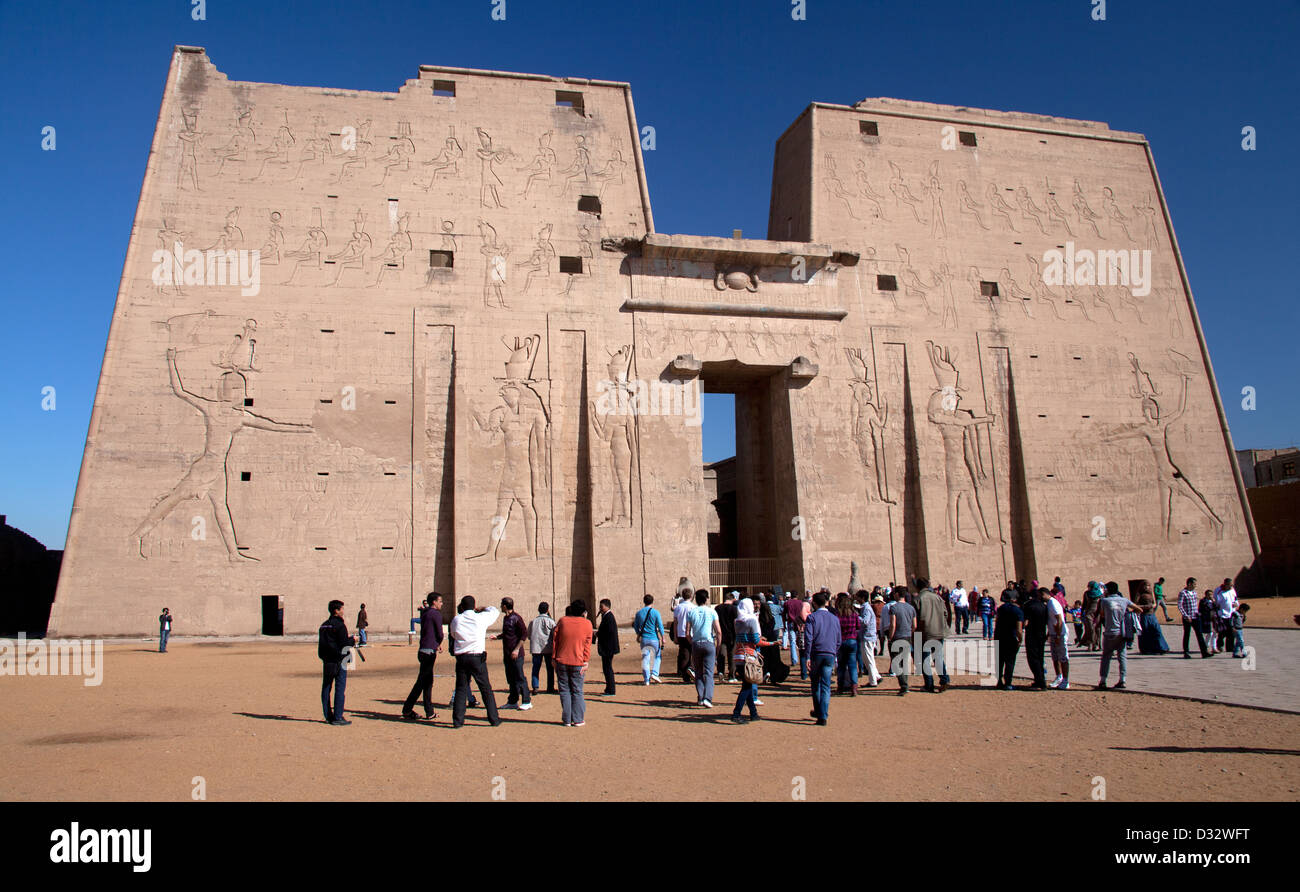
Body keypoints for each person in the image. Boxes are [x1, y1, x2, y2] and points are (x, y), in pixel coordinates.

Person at [449, 596, 502, 728]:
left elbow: (453, 634)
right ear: (474, 606)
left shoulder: (457, 619)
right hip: (477, 657)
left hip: (462, 657)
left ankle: (458, 721)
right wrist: (482, 609)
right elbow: (494, 611)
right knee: (485, 688)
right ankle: (494, 719)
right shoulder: (481, 618)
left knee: (461, 688)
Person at [402, 592, 444, 720]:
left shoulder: (425, 613)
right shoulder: (436, 614)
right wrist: (438, 643)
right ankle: (407, 709)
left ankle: (428, 711)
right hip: (429, 652)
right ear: (434, 602)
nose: (442, 603)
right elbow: (440, 633)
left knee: (427, 682)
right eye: (440, 601)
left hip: (423, 649)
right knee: (422, 683)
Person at [731, 598, 773, 722]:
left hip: (738, 655)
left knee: (747, 685)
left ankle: (753, 713)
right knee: (747, 687)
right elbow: (756, 641)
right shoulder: (752, 620)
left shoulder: (737, 621)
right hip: (748, 656)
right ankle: (736, 714)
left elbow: (745, 637)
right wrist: (772, 643)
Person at [553, 600, 592, 726]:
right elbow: (587, 645)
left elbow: (555, 640)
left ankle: (567, 719)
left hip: (561, 660)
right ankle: (578, 719)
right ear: (583, 612)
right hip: (578, 661)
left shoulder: (563, 621)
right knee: (577, 690)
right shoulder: (587, 624)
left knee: (564, 690)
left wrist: (553, 657)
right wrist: (586, 660)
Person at [804, 591, 841, 724]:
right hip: (830, 653)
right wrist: (834, 652)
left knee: (815, 684)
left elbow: (809, 638)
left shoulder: (812, 618)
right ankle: (823, 715)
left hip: (816, 653)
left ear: (814, 603)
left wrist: (807, 655)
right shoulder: (835, 618)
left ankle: (819, 711)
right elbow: (838, 639)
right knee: (826, 685)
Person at [318, 600, 356, 725]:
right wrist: (353, 640)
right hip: (340, 660)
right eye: (341, 609)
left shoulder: (323, 625)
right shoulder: (340, 625)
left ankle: (328, 715)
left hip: (327, 660)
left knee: (326, 687)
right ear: (336, 610)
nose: (343, 611)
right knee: (340, 688)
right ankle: (338, 716)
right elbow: (344, 644)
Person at [1097, 582, 1140, 690]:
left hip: (1109, 632)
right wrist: (1128, 615)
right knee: (1122, 656)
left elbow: (1102, 614)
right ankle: (1122, 679)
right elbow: (1139, 609)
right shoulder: (1124, 600)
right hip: (1122, 632)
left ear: (1108, 590)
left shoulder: (1104, 601)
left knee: (1106, 657)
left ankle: (1103, 680)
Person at [493, 597, 532, 710]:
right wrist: (497, 637)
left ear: (505, 606)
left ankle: (526, 701)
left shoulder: (516, 618)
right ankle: (512, 701)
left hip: (516, 654)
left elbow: (524, 635)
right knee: (511, 678)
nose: (500, 606)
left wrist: (516, 649)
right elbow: (507, 634)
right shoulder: (506, 618)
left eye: (501, 604)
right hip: (507, 653)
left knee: (520, 677)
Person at [916, 577, 951, 693]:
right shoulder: (937, 597)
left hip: (925, 633)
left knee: (925, 658)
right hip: (939, 631)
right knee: (938, 656)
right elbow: (946, 613)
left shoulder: (918, 599)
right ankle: (944, 679)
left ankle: (929, 684)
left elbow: (916, 618)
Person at [687, 590, 721, 707]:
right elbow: (719, 631)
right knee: (709, 673)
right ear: (706, 599)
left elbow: (687, 633)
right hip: (709, 643)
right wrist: (718, 646)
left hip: (696, 643)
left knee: (698, 672)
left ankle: (701, 697)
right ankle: (708, 698)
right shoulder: (712, 612)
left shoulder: (691, 612)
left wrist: (692, 642)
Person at [887, 588, 917, 696]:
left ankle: (903, 685)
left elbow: (893, 624)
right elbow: (914, 625)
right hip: (907, 637)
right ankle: (905, 684)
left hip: (897, 637)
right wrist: (909, 632)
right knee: (904, 661)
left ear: (897, 594)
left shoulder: (894, 608)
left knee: (896, 663)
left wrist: (890, 637)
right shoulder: (911, 608)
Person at [993, 592, 1024, 690]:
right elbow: (1019, 629)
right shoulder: (1018, 611)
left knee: (1000, 661)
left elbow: (997, 622)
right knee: (1010, 661)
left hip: (999, 636)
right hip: (1011, 638)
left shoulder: (1001, 608)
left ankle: (999, 681)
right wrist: (1020, 639)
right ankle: (1008, 683)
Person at [834, 593, 863, 695]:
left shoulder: (837, 616)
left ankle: (840, 687)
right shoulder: (854, 615)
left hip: (841, 641)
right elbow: (858, 627)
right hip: (852, 640)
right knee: (852, 666)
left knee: (841, 666)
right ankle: (854, 688)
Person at [634, 595, 665, 684]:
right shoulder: (656, 612)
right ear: (652, 601)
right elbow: (660, 626)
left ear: (644, 601)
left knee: (645, 658)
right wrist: (663, 638)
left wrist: (638, 634)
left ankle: (646, 679)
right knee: (657, 656)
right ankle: (655, 673)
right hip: (654, 638)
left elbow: (636, 626)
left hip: (644, 638)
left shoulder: (639, 613)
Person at [528, 602, 557, 693]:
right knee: (550, 668)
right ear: (547, 610)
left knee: (536, 668)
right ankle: (550, 687)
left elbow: (529, 635)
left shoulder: (533, 621)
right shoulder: (551, 621)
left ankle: (535, 686)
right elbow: (554, 635)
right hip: (548, 648)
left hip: (536, 648)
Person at [855, 590, 881, 687]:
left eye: (858, 597)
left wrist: (856, 616)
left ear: (862, 598)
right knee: (868, 659)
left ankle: (873, 681)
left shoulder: (866, 609)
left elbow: (865, 621)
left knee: (868, 659)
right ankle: (877, 676)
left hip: (868, 637)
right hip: (866, 636)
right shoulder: (865, 608)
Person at [1177, 578, 1209, 659]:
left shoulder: (1194, 593)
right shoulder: (1183, 593)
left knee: (1199, 634)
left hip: (1195, 616)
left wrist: (1198, 613)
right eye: (1194, 584)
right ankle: (1186, 652)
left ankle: (1204, 652)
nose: (1195, 585)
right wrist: (1185, 616)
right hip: (1187, 617)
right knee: (1187, 634)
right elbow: (1180, 605)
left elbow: (1195, 604)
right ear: (1189, 584)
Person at [1136, 583, 1170, 655]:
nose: (1147, 587)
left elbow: (1154, 604)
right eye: (1145, 586)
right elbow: (1136, 605)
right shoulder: (1139, 595)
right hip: (1144, 615)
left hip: (1151, 615)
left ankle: (1161, 647)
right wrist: (1144, 606)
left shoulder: (1151, 594)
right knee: (1145, 632)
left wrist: (1152, 606)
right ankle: (1146, 649)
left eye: (1148, 586)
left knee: (1157, 631)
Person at [595, 598, 620, 694]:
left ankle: (611, 689)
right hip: (607, 647)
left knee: (607, 668)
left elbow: (608, 632)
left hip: (608, 648)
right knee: (606, 668)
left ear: (607, 606)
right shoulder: (606, 616)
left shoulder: (608, 617)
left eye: (601, 606)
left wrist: (598, 634)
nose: (600, 608)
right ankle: (608, 688)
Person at [1048, 588, 1070, 689]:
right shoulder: (1049, 603)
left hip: (1060, 634)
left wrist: (1057, 635)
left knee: (1063, 657)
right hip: (1053, 634)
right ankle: (1059, 677)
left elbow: (1059, 619)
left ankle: (1066, 680)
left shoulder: (1053, 603)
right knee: (1055, 657)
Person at [716, 591, 739, 682]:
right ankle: (731, 675)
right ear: (732, 599)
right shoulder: (734, 609)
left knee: (721, 654)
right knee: (732, 655)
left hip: (721, 634)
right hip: (732, 635)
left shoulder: (717, 608)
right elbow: (735, 623)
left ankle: (721, 672)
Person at [673, 592, 695, 683]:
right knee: (694, 654)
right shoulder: (693, 607)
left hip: (681, 633)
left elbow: (675, 623)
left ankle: (685, 675)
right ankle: (692, 670)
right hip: (692, 633)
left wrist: (675, 635)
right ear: (691, 596)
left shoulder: (678, 607)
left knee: (684, 654)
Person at [1214, 578, 1239, 657]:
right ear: (1226, 584)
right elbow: (1217, 603)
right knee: (1222, 631)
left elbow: (1236, 600)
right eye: (1230, 585)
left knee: (1231, 632)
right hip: (1222, 615)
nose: (1232, 586)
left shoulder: (1232, 590)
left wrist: (1236, 604)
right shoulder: (1219, 591)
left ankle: (1230, 647)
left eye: (1232, 585)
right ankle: (1220, 645)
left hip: (1231, 614)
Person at [1198, 588, 1219, 654]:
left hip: (1214, 619)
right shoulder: (1203, 601)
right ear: (1206, 595)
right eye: (1209, 595)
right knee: (1209, 633)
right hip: (1207, 619)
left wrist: (1214, 602)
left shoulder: (1213, 601)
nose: (1210, 596)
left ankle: (1214, 647)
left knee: (1215, 633)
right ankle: (1206, 646)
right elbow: (1201, 610)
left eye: (1211, 595)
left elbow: (1217, 608)